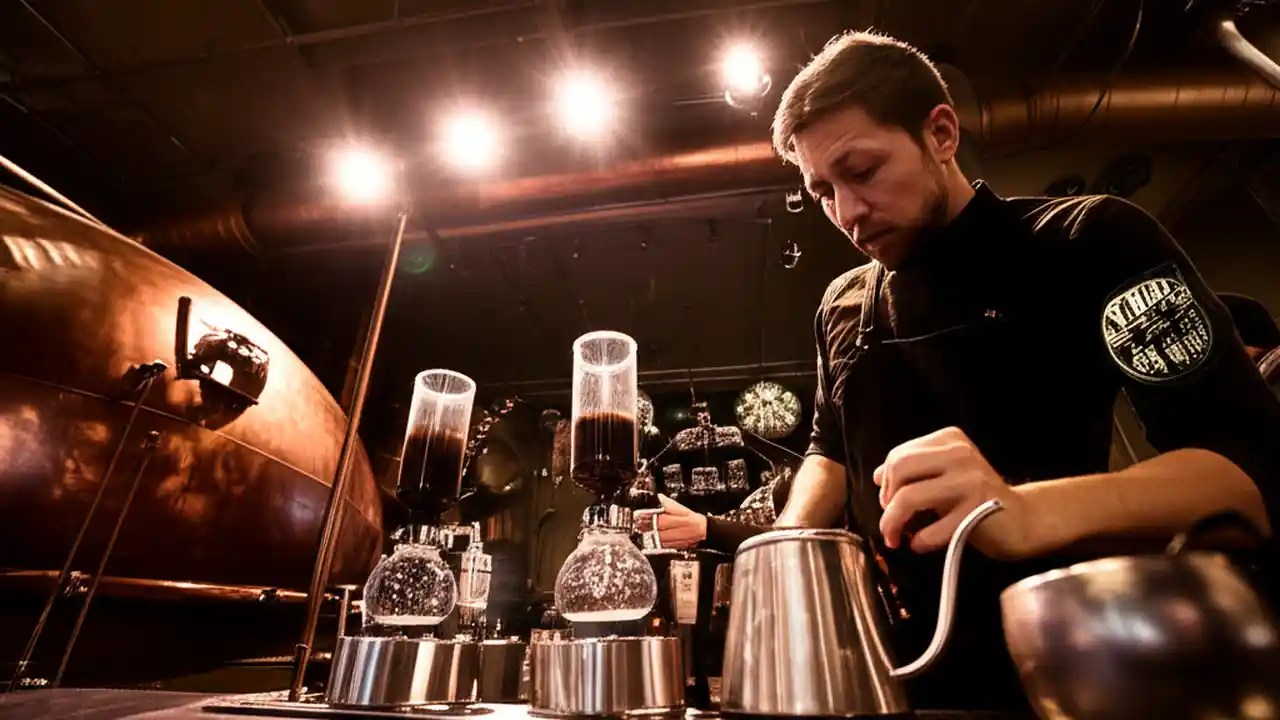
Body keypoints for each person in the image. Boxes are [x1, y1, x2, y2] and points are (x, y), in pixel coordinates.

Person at [650, 30, 1280, 710]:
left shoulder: (1090, 240)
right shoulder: (843, 304)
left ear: (941, 133)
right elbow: (829, 452)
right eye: (823, 191)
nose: (849, 215)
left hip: (1056, 672)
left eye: (862, 171)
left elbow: (1249, 475)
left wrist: (1022, 508)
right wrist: (784, 558)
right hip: (886, 685)